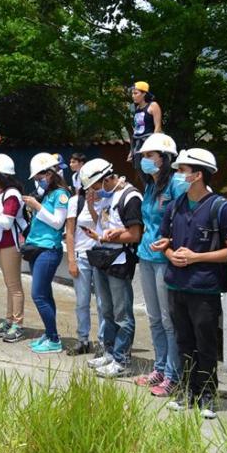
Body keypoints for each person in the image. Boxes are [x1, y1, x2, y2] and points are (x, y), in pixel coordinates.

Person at [151, 148, 227, 419]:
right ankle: (187, 390)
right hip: (176, 285)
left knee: (206, 343)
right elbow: (165, 240)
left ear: (198, 175)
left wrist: (197, 257)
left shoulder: (221, 208)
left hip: (204, 288)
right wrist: (168, 253)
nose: (178, 175)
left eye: (182, 170)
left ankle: (208, 394)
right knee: (184, 341)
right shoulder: (175, 205)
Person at [80, 158, 143, 377]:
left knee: (121, 313)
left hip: (119, 261)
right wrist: (98, 233)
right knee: (105, 309)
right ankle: (109, 352)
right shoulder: (107, 197)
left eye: (95, 186)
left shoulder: (130, 196)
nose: (94, 191)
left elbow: (134, 234)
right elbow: (106, 225)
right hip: (103, 258)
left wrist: (109, 238)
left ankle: (122, 360)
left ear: (106, 179)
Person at [133, 133, 184, 396]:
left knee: (168, 320)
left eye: (150, 155)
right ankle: (160, 368)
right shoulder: (150, 187)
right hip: (146, 256)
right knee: (153, 318)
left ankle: (174, 375)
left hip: (165, 260)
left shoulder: (177, 184)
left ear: (164, 158)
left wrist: (171, 243)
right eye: (143, 155)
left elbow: (186, 220)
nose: (145, 160)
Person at [22, 152, 70, 353]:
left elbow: (58, 223)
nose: (37, 181)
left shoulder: (61, 194)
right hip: (37, 248)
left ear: (50, 174)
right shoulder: (48, 194)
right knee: (45, 295)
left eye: (40, 177)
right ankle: (50, 333)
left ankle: (54, 339)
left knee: (38, 295)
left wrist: (37, 206)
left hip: (49, 249)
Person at [0, 154, 27, 343]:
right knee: (9, 284)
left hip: (11, 243)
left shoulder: (12, 194)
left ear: (1, 174)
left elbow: (7, 223)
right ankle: (9, 320)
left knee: (14, 285)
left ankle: (18, 323)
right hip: (1, 242)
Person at [64, 168, 103, 355]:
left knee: (103, 303)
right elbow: (70, 232)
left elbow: (102, 227)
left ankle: (104, 342)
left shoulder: (106, 200)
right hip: (82, 256)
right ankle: (83, 339)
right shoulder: (75, 201)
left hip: (102, 256)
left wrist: (92, 206)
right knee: (82, 301)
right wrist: (71, 259)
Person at [128, 81, 163, 170]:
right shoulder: (136, 109)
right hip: (138, 144)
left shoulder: (153, 106)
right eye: (132, 93)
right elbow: (136, 130)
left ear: (144, 94)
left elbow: (158, 127)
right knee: (139, 168)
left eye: (136, 93)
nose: (133, 96)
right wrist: (131, 151)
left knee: (151, 169)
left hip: (149, 142)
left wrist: (151, 145)